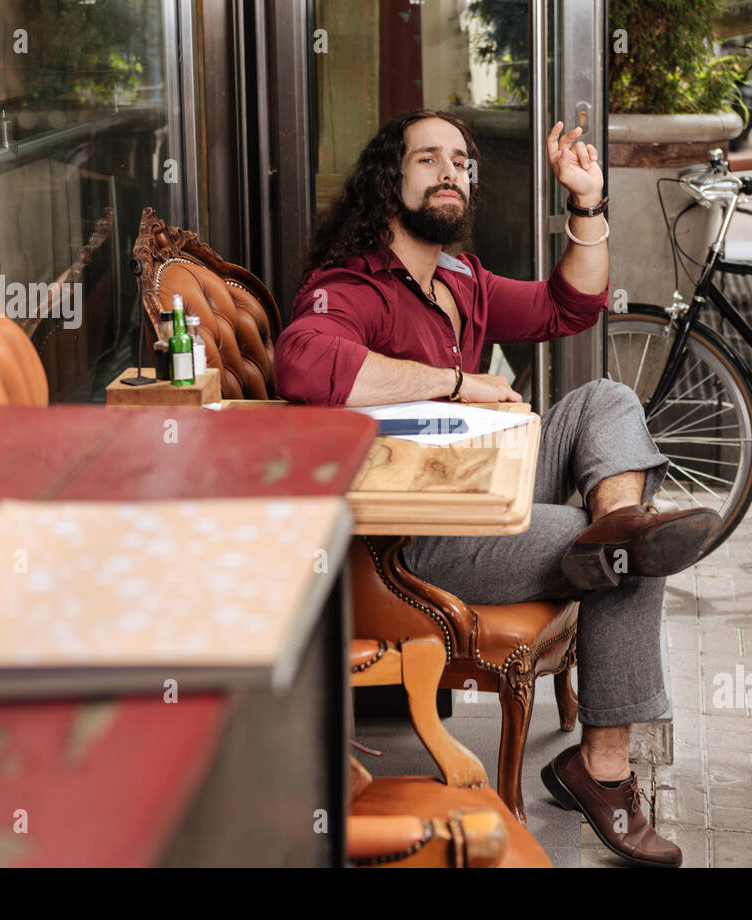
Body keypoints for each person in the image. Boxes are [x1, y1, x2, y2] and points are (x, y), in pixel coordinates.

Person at [275, 109, 721, 867]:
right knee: (634, 563)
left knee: (607, 401)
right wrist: (457, 383)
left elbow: (569, 305)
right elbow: (305, 363)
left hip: (491, 487)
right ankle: (602, 771)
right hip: (421, 537)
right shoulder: (351, 285)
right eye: (428, 159)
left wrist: (585, 201)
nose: (451, 171)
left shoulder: (460, 277)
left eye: (461, 160)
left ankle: (615, 524)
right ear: (390, 181)